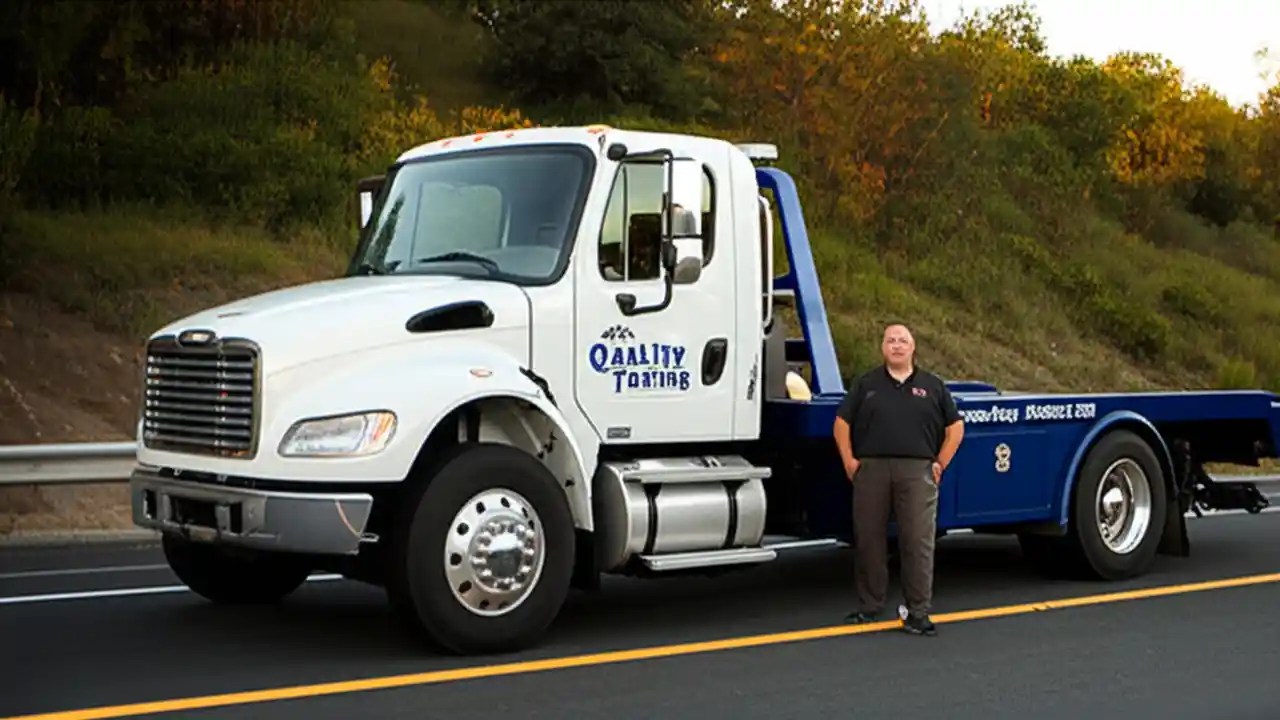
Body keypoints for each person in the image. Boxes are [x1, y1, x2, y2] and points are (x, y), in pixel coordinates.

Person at [833, 322, 964, 636]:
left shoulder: (932, 386)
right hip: (872, 470)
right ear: (882, 347)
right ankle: (869, 605)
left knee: (917, 541)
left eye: (902, 340)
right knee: (869, 539)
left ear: (913, 347)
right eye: (890, 340)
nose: (896, 345)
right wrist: (849, 461)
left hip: (917, 472)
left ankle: (918, 612)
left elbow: (956, 428)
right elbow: (841, 423)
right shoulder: (866, 384)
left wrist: (940, 463)